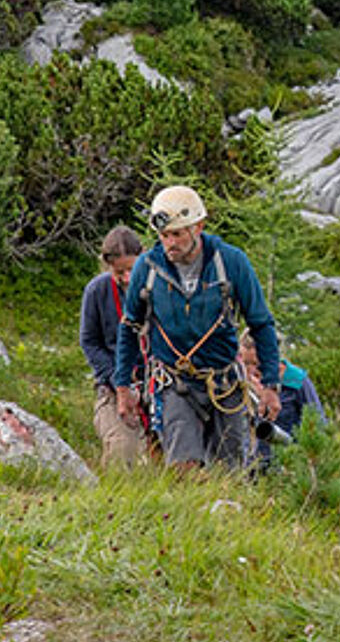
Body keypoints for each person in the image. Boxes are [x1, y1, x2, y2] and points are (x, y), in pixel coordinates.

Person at [113, 184, 282, 471]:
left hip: (225, 383)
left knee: (230, 471)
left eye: (177, 234)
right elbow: (130, 326)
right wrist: (122, 387)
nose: (170, 243)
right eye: (164, 236)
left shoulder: (231, 263)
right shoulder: (148, 268)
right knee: (184, 468)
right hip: (175, 384)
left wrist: (269, 385)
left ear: (199, 227)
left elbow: (261, 324)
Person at [79, 226, 152, 468]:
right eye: (120, 272)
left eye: (133, 269)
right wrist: (118, 382)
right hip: (112, 386)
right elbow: (89, 342)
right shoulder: (97, 291)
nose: (128, 277)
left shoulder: (160, 285)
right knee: (122, 449)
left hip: (158, 382)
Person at [238, 332, 325, 469]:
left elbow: (318, 424)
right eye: (246, 363)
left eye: (257, 364)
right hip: (248, 466)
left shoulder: (296, 382)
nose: (251, 371)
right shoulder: (239, 381)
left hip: (287, 465)